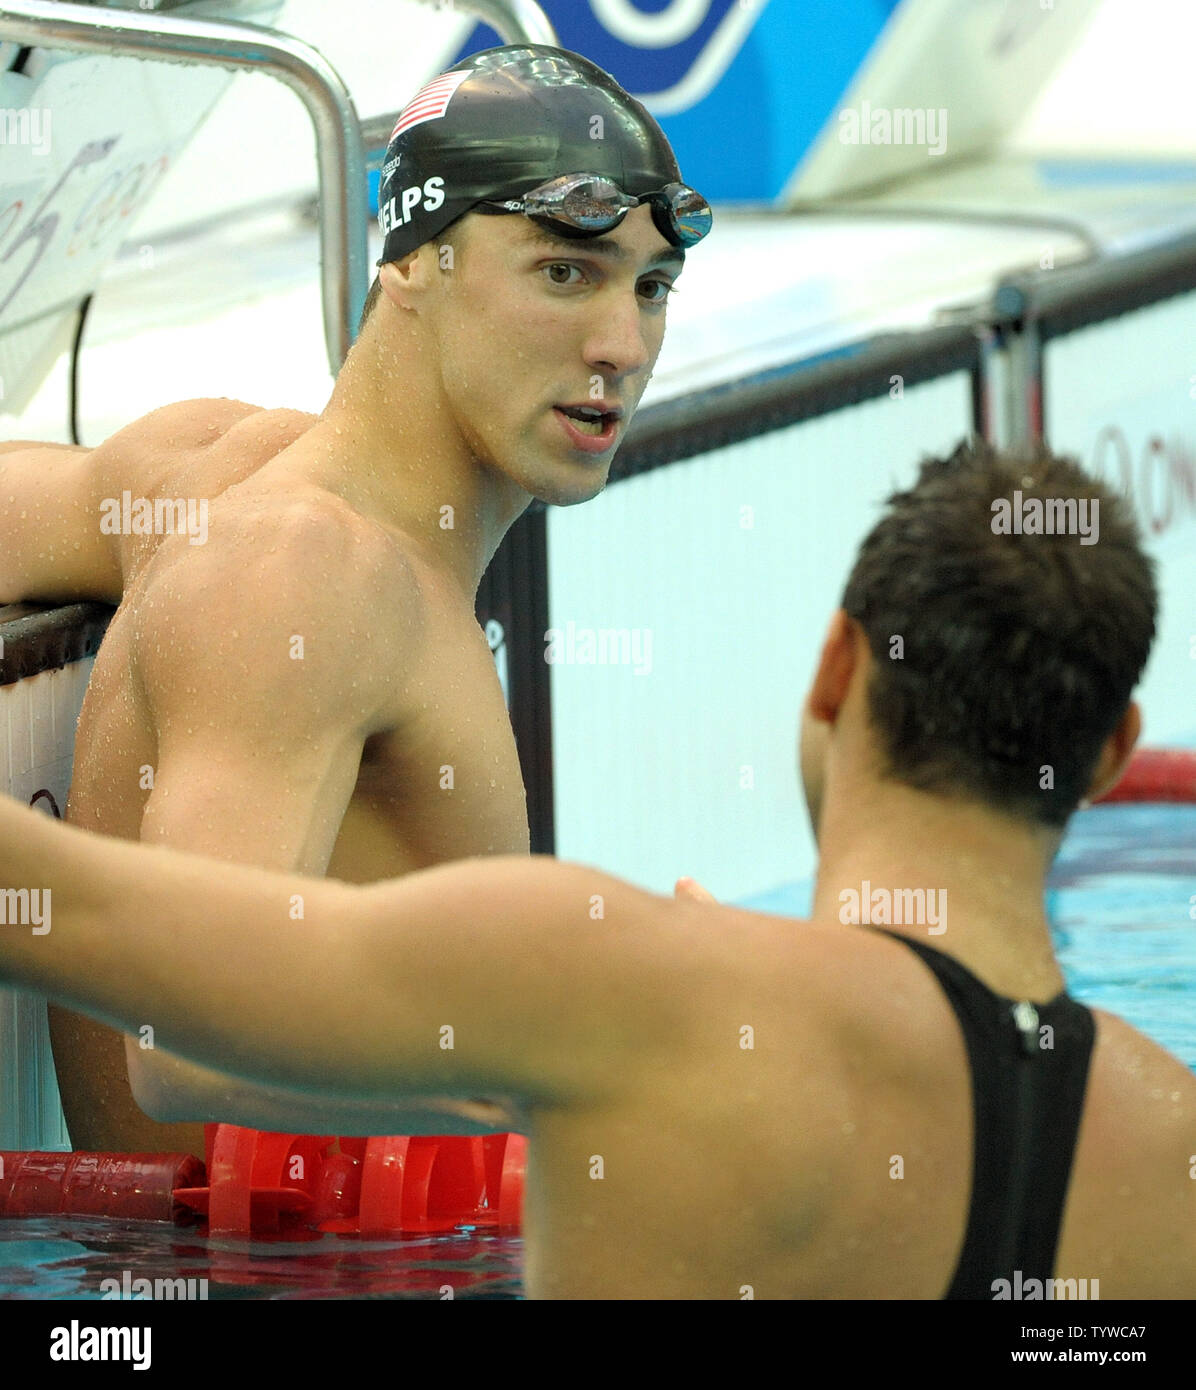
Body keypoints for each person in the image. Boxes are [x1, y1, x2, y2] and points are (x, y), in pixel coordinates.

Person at [2, 439, 1193, 1299]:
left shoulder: (621, 982)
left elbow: (97, 936)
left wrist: (580, 1021)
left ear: (835, 669)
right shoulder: (1169, 1140)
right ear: (1107, 757)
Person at [0, 45, 711, 1156]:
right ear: (412, 262)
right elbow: (184, 1040)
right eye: (563, 273)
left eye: (649, 286)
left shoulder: (211, 468)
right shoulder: (304, 572)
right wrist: (584, 1062)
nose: (620, 346)